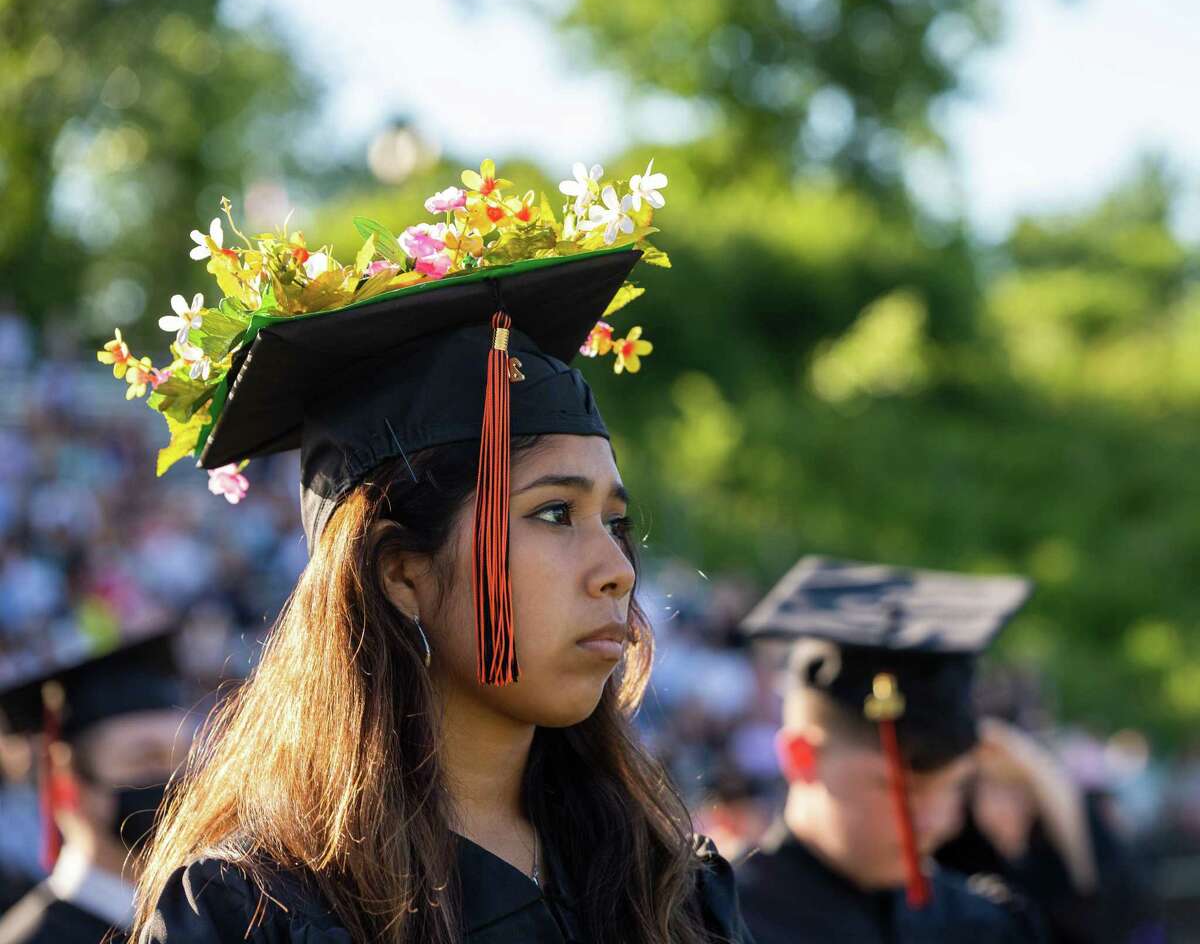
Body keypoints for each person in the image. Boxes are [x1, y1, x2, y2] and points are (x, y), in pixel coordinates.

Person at [109, 159, 752, 943]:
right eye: (554, 513)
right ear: (400, 573)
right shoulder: (260, 914)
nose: (617, 571)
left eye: (614, 522)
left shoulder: (669, 891)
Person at [734, 555, 1046, 943]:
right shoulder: (717, 924)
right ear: (802, 758)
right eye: (901, 788)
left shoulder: (977, 924)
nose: (935, 821)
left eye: (955, 786)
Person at [0, 631, 194, 944]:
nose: (177, 778)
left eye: (187, 757)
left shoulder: (225, 917)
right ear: (66, 781)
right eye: (147, 759)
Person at [937, 718, 1165, 943]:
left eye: (1014, 790)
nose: (1004, 804)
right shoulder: (962, 854)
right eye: (990, 791)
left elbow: (1091, 890)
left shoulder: (1058, 851)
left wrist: (1020, 752)